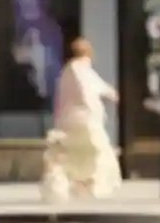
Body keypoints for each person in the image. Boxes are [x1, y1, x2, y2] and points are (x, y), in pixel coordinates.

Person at [42, 37, 120, 202]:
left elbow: (61, 100)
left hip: (68, 121)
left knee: (71, 154)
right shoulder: (82, 69)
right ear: (88, 53)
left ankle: (74, 185)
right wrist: (108, 97)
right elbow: (91, 90)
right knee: (98, 153)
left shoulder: (66, 71)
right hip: (85, 120)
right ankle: (89, 185)